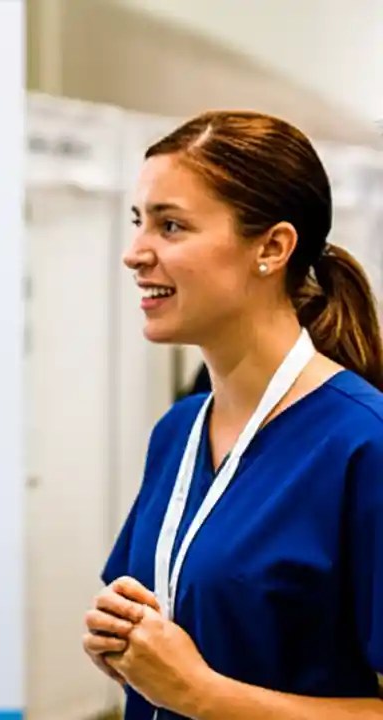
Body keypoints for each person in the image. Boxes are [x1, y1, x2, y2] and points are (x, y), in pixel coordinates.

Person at [83, 109, 383, 719]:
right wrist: (128, 644)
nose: (135, 253)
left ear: (272, 247)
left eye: (171, 226)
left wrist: (201, 695)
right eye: (138, 222)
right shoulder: (178, 430)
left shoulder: (364, 445)